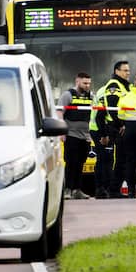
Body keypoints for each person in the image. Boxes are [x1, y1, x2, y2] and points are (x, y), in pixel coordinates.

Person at [57, 72, 93, 200]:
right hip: (71, 134)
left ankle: (77, 190)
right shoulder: (68, 95)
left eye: (89, 83)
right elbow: (59, 112)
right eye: (85, 83)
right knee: (71, 163)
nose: (87, 85)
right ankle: (67, 190)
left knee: (80, 164)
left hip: (85, 136)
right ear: (77, 81)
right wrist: (62, 130)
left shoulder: (90, 96)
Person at [102, 61, 132, 197]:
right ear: (117, 71)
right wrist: (121, 125)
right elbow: (113, 108)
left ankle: (115, 189)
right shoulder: (114, 85)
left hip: (122, 126)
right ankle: (114, 189)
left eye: (128, 70)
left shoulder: (125, 85)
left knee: (123, 159)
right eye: (125, 70)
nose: (128, 73)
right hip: (116, 127)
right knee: (120, 160)